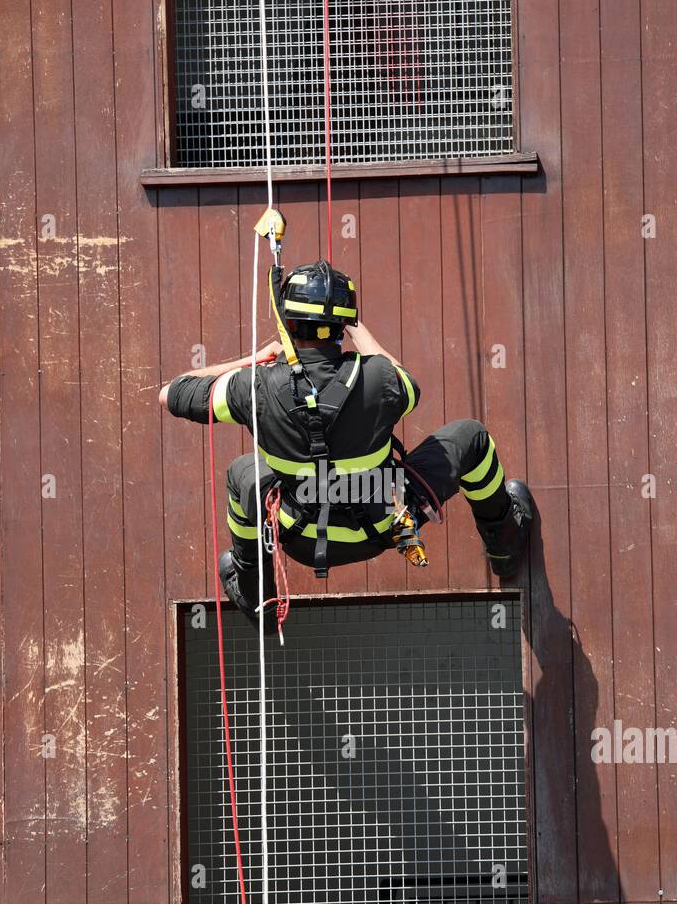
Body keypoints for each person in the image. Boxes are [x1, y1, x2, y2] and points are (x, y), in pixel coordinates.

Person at [159, 260, 533, 633]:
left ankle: (255, 588)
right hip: (385, 528)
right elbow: (407, 382)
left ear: (288, 324)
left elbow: (171, 392)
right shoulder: (379, 378)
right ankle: (504, 544)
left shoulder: (253, 386)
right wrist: (355, 324)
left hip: (301, 538)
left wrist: (254, 361)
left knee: (241, 472)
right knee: (472, 438)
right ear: (343, 324)